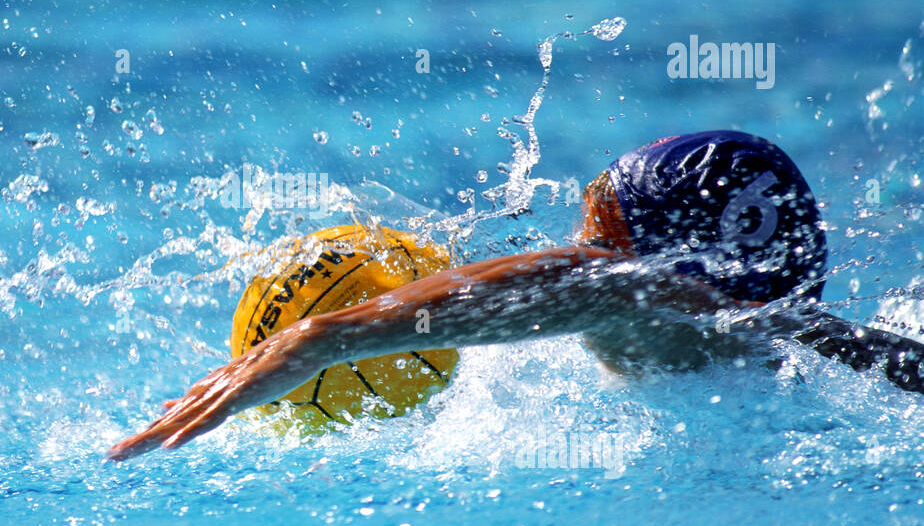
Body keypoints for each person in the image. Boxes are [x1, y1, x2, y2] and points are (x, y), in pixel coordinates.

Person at [107, 131, 923, 460]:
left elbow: (583, 283)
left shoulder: (649, 298)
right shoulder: (854, 362)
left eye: (595, 236)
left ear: (677, 279)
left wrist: (324, 336)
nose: (573, 247)